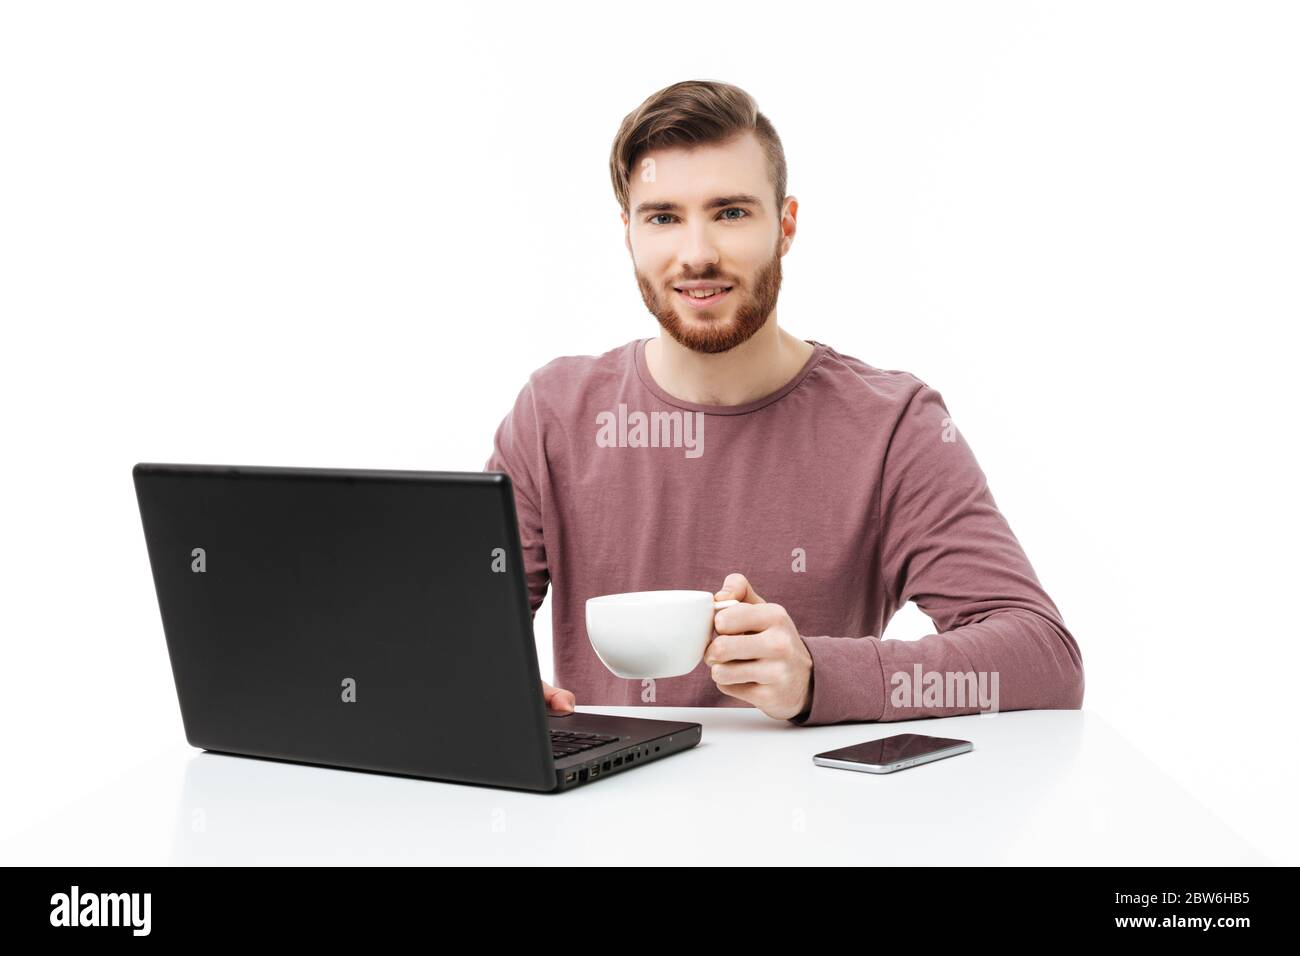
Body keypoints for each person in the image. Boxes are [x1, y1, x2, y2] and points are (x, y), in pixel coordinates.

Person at [485, 79, 1084, 725]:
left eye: (731, 212)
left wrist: (817, 675)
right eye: (663, 217)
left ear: (786, 225)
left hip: (818, 816)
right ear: (629, 234)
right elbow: (461, 635)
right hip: (594, 814)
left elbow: (1041, 655)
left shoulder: (892, 426)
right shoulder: (554, 413)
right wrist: (491, 686)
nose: (697, 255)